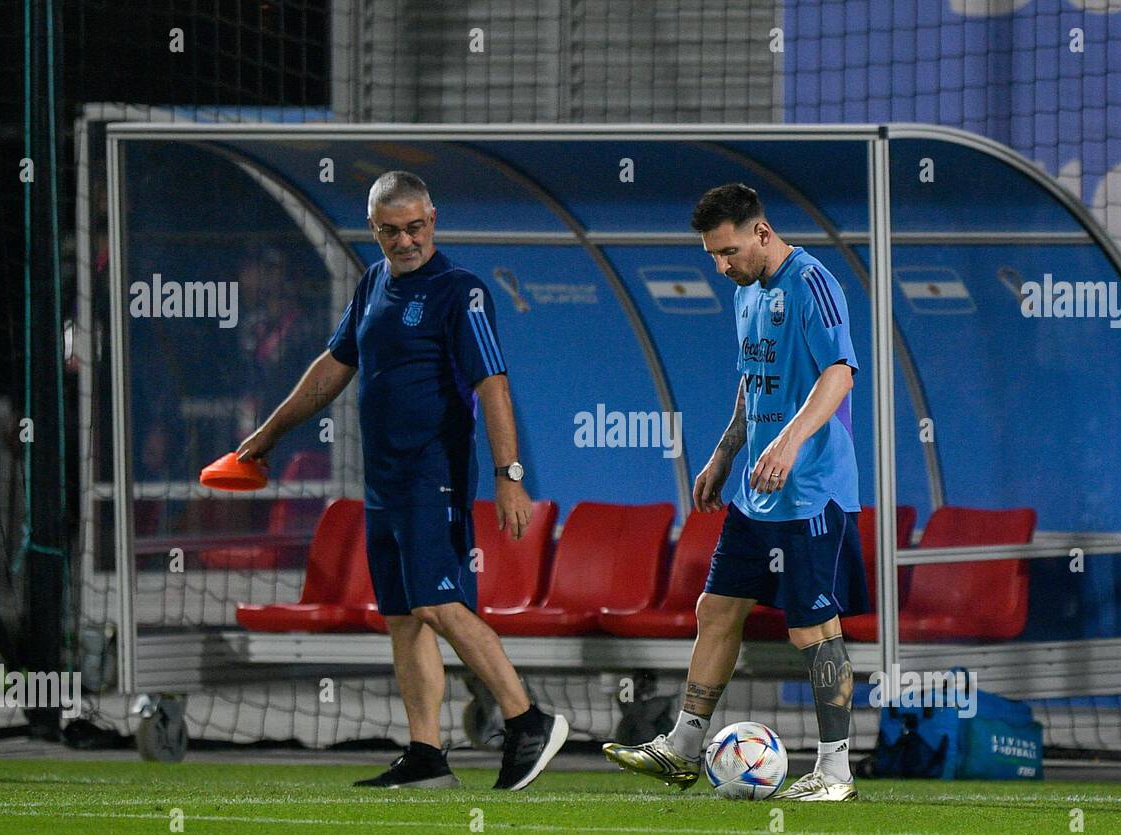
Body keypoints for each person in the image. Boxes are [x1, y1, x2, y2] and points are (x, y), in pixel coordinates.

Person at [237, 170, 568, 791]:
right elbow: (330, 371)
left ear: (433, 220)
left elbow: (492, 385)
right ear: (375, 230)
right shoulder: (371, 285)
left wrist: (508, 476)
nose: (405, 240)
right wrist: (268, 434)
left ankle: (528, 720)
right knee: (402, 618)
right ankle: (425, 756)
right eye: (391, 231)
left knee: (437, 603)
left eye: (415, 227)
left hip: (432, 478)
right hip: (383, 484)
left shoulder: (460, 292)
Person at [603, 183, 868, 801]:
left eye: (728, 252)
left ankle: (835, 773)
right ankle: (683, 749)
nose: (722, 267)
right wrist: (726, 453)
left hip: (811, 490)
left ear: (762, 233)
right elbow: (754, 383)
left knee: (814, 630)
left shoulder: (812, 283)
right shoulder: (747, 296)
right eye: (713, 257)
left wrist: (789, 443)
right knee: (715, 611)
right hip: (756, 492)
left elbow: (840, 372)